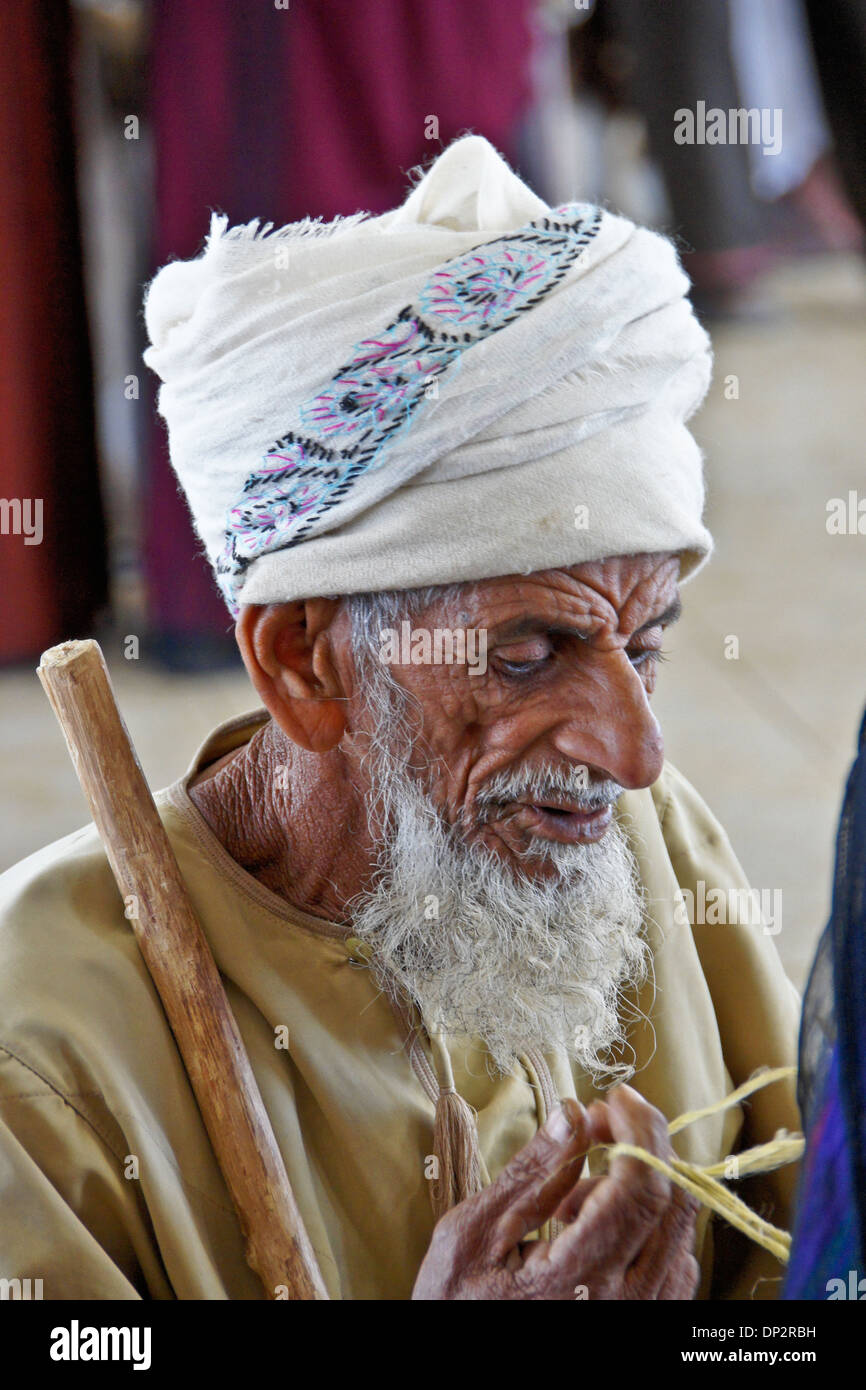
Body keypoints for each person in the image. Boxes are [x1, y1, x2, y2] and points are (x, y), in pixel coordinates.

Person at [0, 136, 799, 1300]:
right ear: (301, 662)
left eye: (644, 646)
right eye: (528, 655)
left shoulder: (636, 836)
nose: (632, 753)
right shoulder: (42, 1050)